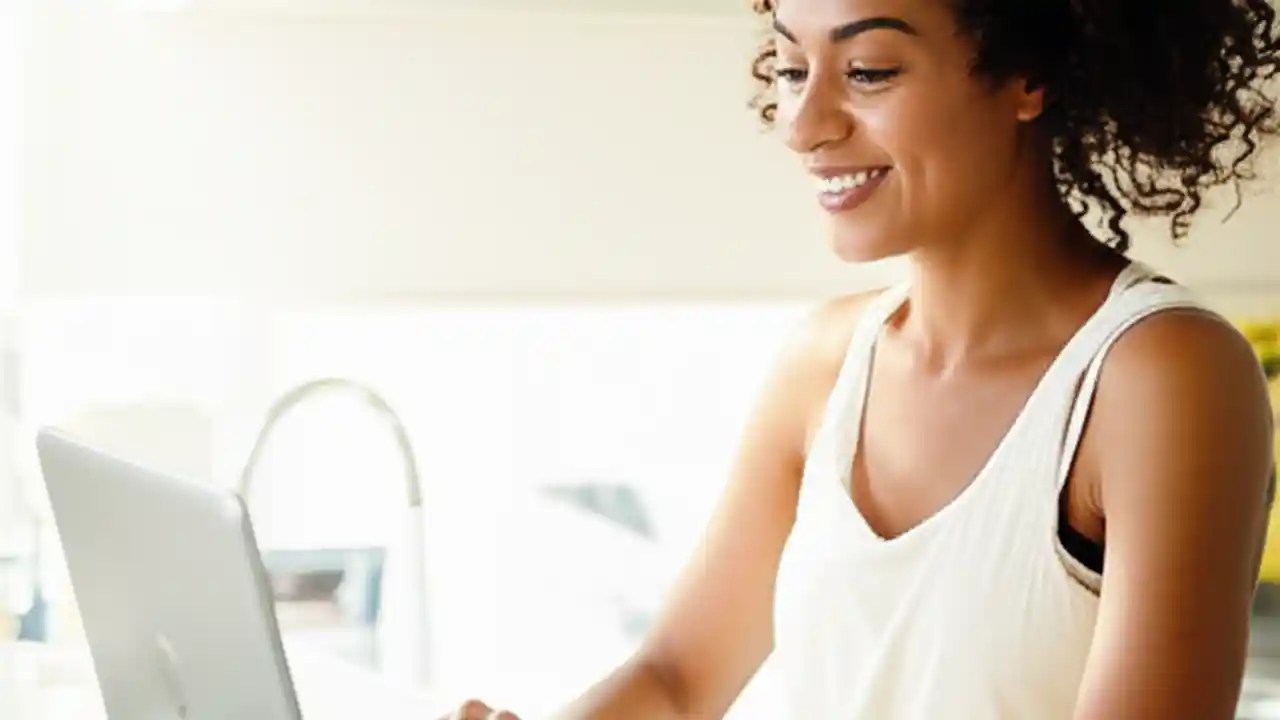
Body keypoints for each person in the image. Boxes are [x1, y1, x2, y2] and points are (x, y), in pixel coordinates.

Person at [442, 0, 1280, 717]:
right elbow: (678, 678)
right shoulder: (826, 362)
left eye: (870, 70)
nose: (805, 127)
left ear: (1029, 72)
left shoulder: (1159, 377)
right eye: (788, 68)